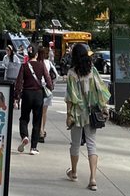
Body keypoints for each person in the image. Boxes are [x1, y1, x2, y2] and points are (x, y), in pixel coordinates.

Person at [65, 42, 110, 191]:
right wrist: (104, 108)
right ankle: (93, 179)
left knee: (75, 144)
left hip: (77, 114)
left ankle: (74, 172)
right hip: (91, 113)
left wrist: (68, 115)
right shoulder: (93, 71)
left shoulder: (71, 73)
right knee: (92, 145)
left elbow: (70, 97)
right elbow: (101, 90)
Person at [14, 44, 52, 155]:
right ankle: (33, 147)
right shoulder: (41, 66)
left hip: (27, 94)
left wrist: (16, 96)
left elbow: (19, 82)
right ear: (36, 54)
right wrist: (49, 88)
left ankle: (24, 136)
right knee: (37, 120)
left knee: (24, 118)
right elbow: (48, 80)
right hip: (38, 94)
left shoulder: (24, 66)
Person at [39, 45, 58, 142]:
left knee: (37, 112)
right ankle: (42, 130)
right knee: (44, 112)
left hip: (37, 89)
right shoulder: (49, 63)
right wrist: (52, 85)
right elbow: (56, 75)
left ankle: (39, 130)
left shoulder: (36, 63)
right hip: (47, 89)